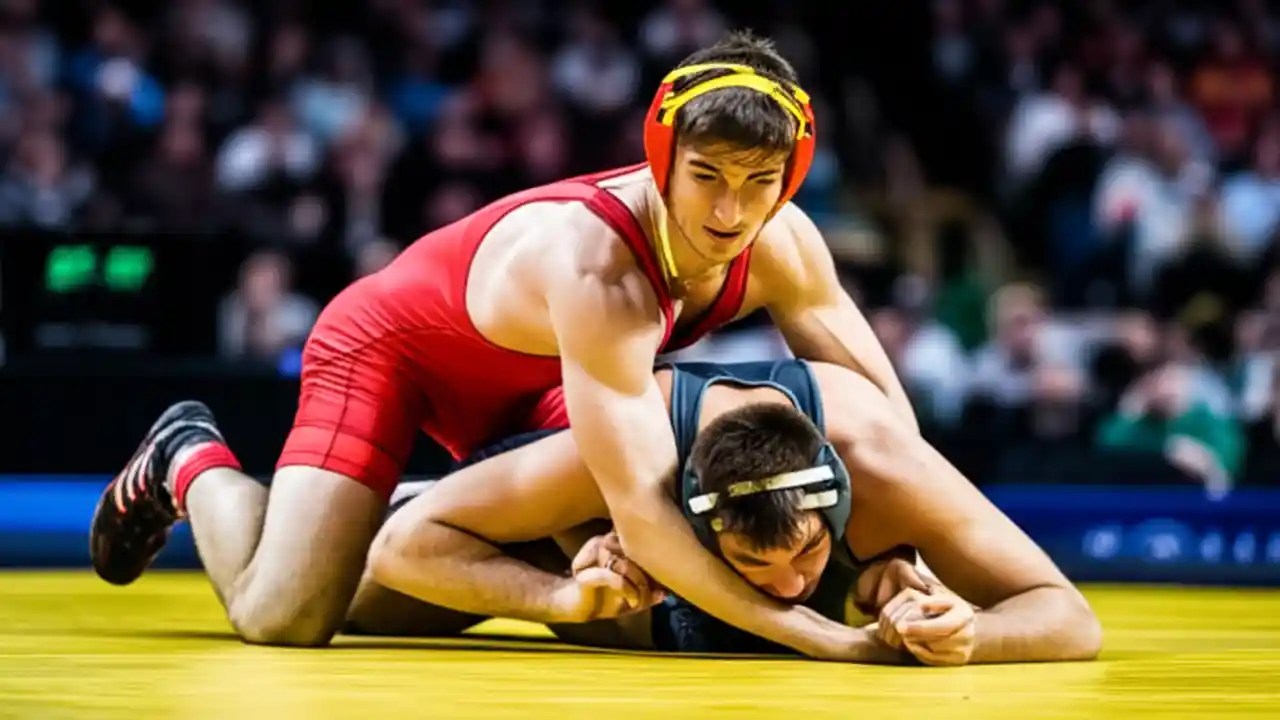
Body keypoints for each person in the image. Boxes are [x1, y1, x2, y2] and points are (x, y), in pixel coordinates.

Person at [89, 31, 916, 656]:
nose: (730, 213)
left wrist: (906, 558)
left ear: (788, 179)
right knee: (287, 616)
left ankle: (400, 512)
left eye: (758, 182)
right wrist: (828, 638)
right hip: (393, 351)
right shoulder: (597, 264)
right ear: (663, 161)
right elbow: (644, 514)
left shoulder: (785, 244)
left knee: (392, 597)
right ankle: (188, 456)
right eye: (707, 177)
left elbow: (889, 431)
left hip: (551, 383)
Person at [352, 360, 1103, 665]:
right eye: (751, 562)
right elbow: (403, 549)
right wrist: (559, 597)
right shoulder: (631, 448)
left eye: (807, 552)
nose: (788, 587)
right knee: (348, 604)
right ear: (686, 521)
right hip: (565, 534)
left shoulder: (882, 464)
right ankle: (252, 480)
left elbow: (1069, 618)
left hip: (657, 594)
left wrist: (971, 636)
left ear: (838, 502)